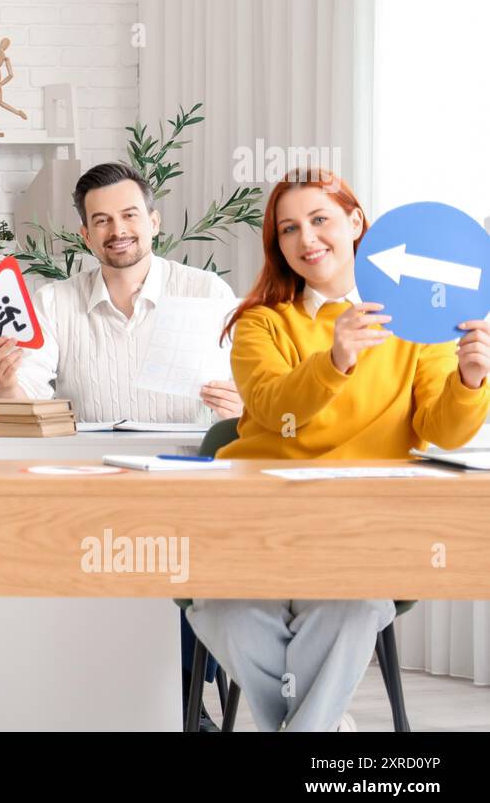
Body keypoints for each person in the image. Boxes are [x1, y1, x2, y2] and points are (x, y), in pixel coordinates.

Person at [188, 168, 490, 731]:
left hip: (363, 530)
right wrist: (334, 360)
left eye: (320, 220)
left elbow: (443, 431)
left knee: (352, 608)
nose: (306, 240)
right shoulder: (261, 324)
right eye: (288, 229)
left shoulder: (417, 323)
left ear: (355, 222)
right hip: (256, 523)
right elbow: (276, 411)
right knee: (227, 612)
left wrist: (470, 381)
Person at [0, 161, 244, 727]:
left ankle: (186, 703)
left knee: (184, 561)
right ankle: (109, 700)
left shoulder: (206, 292)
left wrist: (243, 407)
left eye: (128, 215)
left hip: (189, 489)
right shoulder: (54, 303)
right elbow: (21, 401)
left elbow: (259, 390)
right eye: (102, 220)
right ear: (85, 234)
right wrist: (2, 380)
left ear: (154, 220)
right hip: (93, 489)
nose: (117, 229)